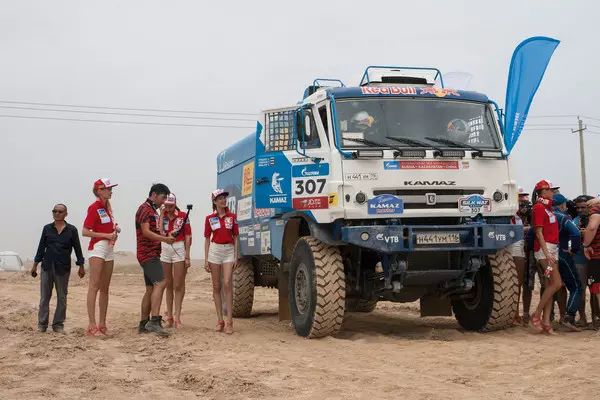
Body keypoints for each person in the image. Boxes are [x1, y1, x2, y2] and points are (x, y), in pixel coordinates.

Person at [32, 204, 85, 333]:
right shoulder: (47, 229)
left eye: (60, 211)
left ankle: (58, 324)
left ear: (66, 214)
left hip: (63, 268)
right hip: (47, 266)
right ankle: (42, 324)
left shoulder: (72, 230)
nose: (57, 213)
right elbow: (41, 248)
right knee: (45, 297)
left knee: (62, 297)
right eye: (54, 211)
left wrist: (81, 266)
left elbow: (77, 249)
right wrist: (35, 265)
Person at [135, 183, 176, 336]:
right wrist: (165, 240)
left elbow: (154, 231)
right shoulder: (145, 209)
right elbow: (146, 232)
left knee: (150, 289)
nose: (164, 201)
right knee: (162, 282)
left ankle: (143, 323)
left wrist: (166, 235)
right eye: (163, 197)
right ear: (154, 194)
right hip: (147, 253)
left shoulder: (152, 210)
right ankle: (154, 321)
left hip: (150, 252)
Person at [82, 178, 120, 337]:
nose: (111, 191)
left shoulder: (108, 208)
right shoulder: (94, 207)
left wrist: (114, 228)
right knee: (94, 285)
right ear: (99, 190)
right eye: (108, 188)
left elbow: (105, 225)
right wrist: (105, 234)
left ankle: (102, 324)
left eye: (111, 188)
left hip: (109, 248)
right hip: (97, 247)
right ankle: (92, 325)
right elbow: (85, 231)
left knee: (105, 287)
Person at [528, 180, 562, 334]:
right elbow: (538, 232)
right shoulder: (539, 208)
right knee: (556, 284)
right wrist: (547, 253)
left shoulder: (547, 208)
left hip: (552, 249)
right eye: (549, 189)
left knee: (549, 285)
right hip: (545, 250)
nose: (552, 192)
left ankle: (546, 322)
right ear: (543, 192)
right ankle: (536, 314)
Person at [204, 189, 239, 334]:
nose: (223, 200)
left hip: (228, 251)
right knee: (216, 286)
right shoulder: (209, 218)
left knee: (227, 283)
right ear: (214, 202)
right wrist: (206, 259)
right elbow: (207, 239)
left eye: (224, 198)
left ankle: (229, 321)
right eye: (220, 198)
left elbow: (236, 237)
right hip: (215, 251)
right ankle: (220, 320)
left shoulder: (232, 217)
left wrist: (236, 256)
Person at [160, 193, 192, 329]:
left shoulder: (183, 216)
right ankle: (169, 317)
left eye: (171, 206)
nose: (169, 208)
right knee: (168, 283)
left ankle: (178, 317)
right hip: (165, 247)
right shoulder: (163, 216)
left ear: (175, 204)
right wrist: (161, 215)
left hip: (179, 247)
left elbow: (188, 235)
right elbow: (160, 232)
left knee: (178, 284)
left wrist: (187, 255)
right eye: (167, 206)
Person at [551, 194, 583, 331]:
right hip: (562, 254)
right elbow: (575, 233)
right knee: (576, 286)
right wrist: (574, 250)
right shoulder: (564, 217)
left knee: (549, 286)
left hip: (547, 256)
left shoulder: (545, 216)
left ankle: (547, 318)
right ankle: (569, 317)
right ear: (563, 205)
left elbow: (531, 235)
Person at [573, 195, 596, 327]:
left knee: (595, 289)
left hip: (594, 259)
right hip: (579, 259)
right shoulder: (574, 221)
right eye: (578, 208)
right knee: (580, 289)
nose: (581, 210)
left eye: (584, 207)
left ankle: (595, 318)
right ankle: (582, 317)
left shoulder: (596, 219)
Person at [509, 188, 528, 326]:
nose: (522, 201)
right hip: (514, 250)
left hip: (519, 249)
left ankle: (515, 313)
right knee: (516, 283)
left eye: (523, 198)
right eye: (520, 198)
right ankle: (513, 314)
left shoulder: (518, 215)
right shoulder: (510, 214)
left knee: (519, 283)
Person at [583, 198, 600, 329]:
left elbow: (592, 226)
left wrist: (585, 244)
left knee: (597, 288)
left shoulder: (596, 212)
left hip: (597, 256)